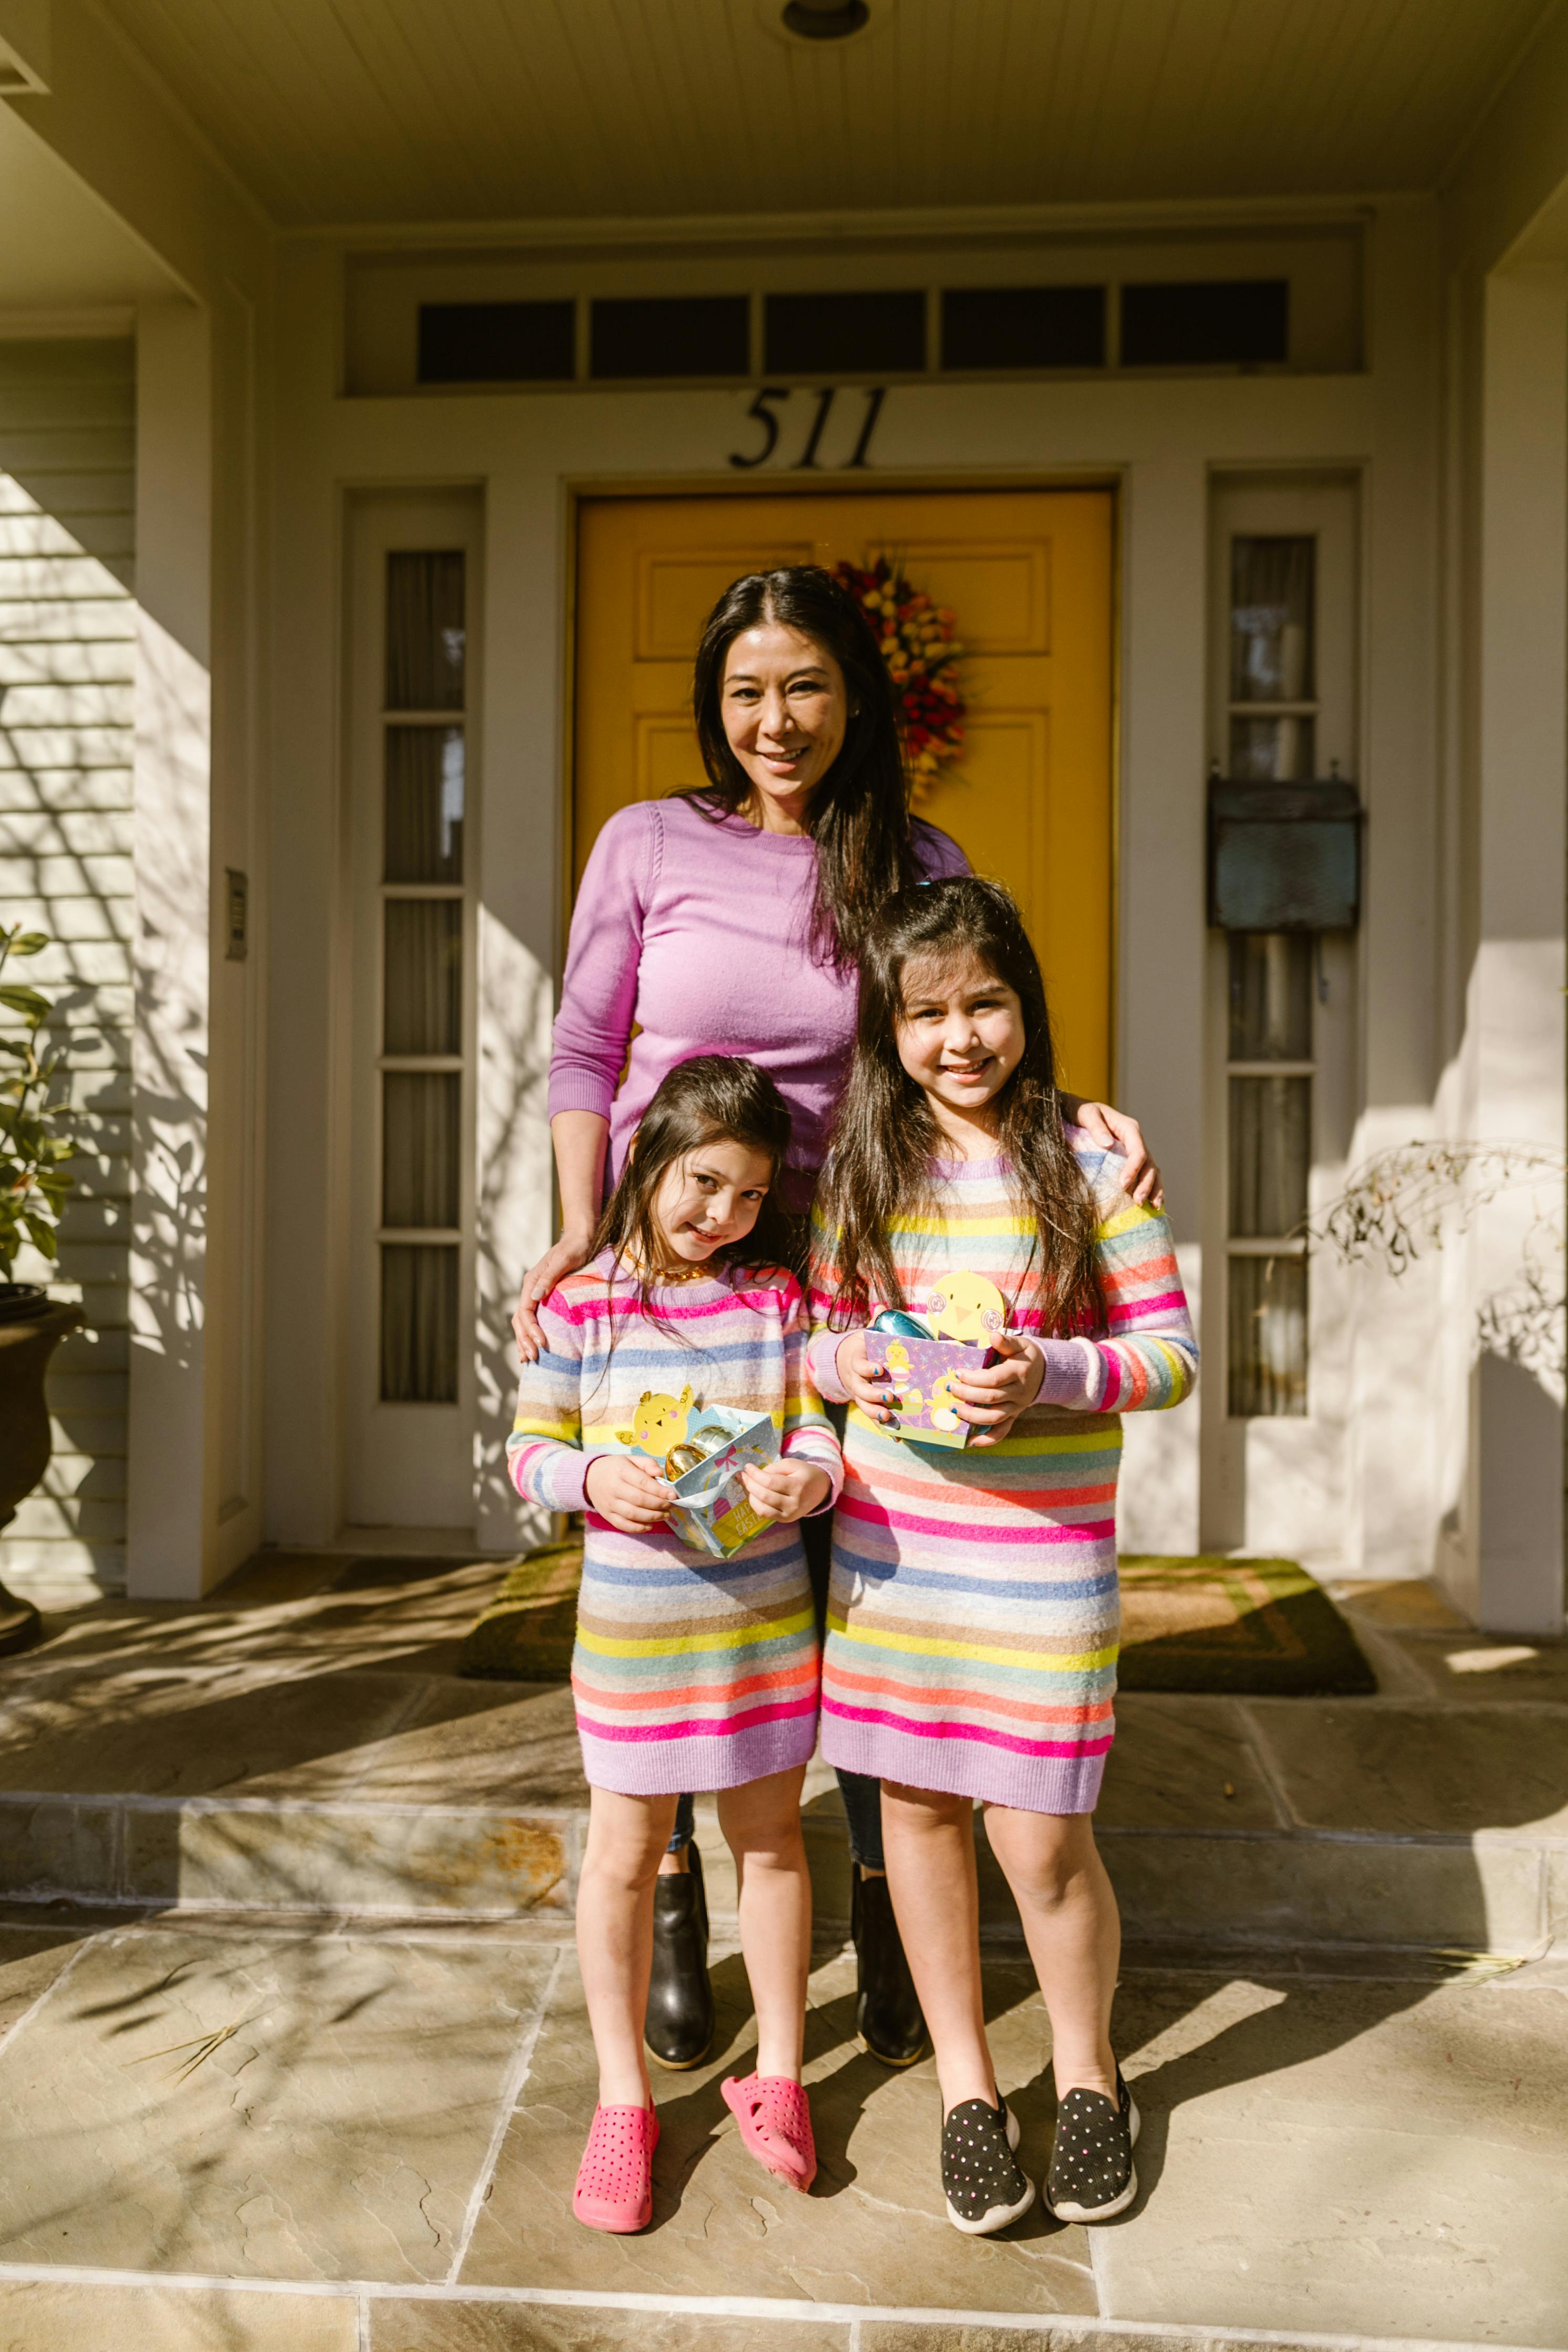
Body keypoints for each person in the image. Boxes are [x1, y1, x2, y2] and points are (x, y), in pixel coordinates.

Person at [515, 562, 1163, 2074]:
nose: (774, 720)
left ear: (855, 694)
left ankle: (882, 1896)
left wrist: (1075, 1117)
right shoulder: (646, 842)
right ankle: (673, 1881)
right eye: (745, 690)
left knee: (854, 1589)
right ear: (713, 704)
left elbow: (957, 1023)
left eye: (803, 685)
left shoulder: (907, 852)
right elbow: (581, 1050)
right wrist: (576, 1233)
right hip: (672, 1269)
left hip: (858, 1268)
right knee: (679, 1561)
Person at [807, 877, 1197, 2236]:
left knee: (1039, 1841)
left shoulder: (1090, 1162)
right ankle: (966, 2091)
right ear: (888, 1029)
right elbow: (814, 1333)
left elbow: (1168, 1356)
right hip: (898, 1559)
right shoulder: (864, 1168)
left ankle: (1090, 2077)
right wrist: (847, 1358)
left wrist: (1052, 1373)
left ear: (1026, 1005)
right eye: (927, 1014)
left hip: (1039, 1564)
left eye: (985, 1003)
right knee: (914, 1816)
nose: (960, 1036)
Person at [508, 1054, 842, 2232]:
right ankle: (622, 2099)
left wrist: (808, 1475)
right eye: (704, 1183)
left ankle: (784, 2075)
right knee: (621, 1853)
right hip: (633, 1641)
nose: (725, 1215)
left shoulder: (773, 1299)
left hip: (758, 1632)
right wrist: (593, 1472)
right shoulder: (582, 1302)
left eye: (751, 1196)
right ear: (649, 1158)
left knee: (771, 1845)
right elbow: (530, 1448)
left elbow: (820, 1436)